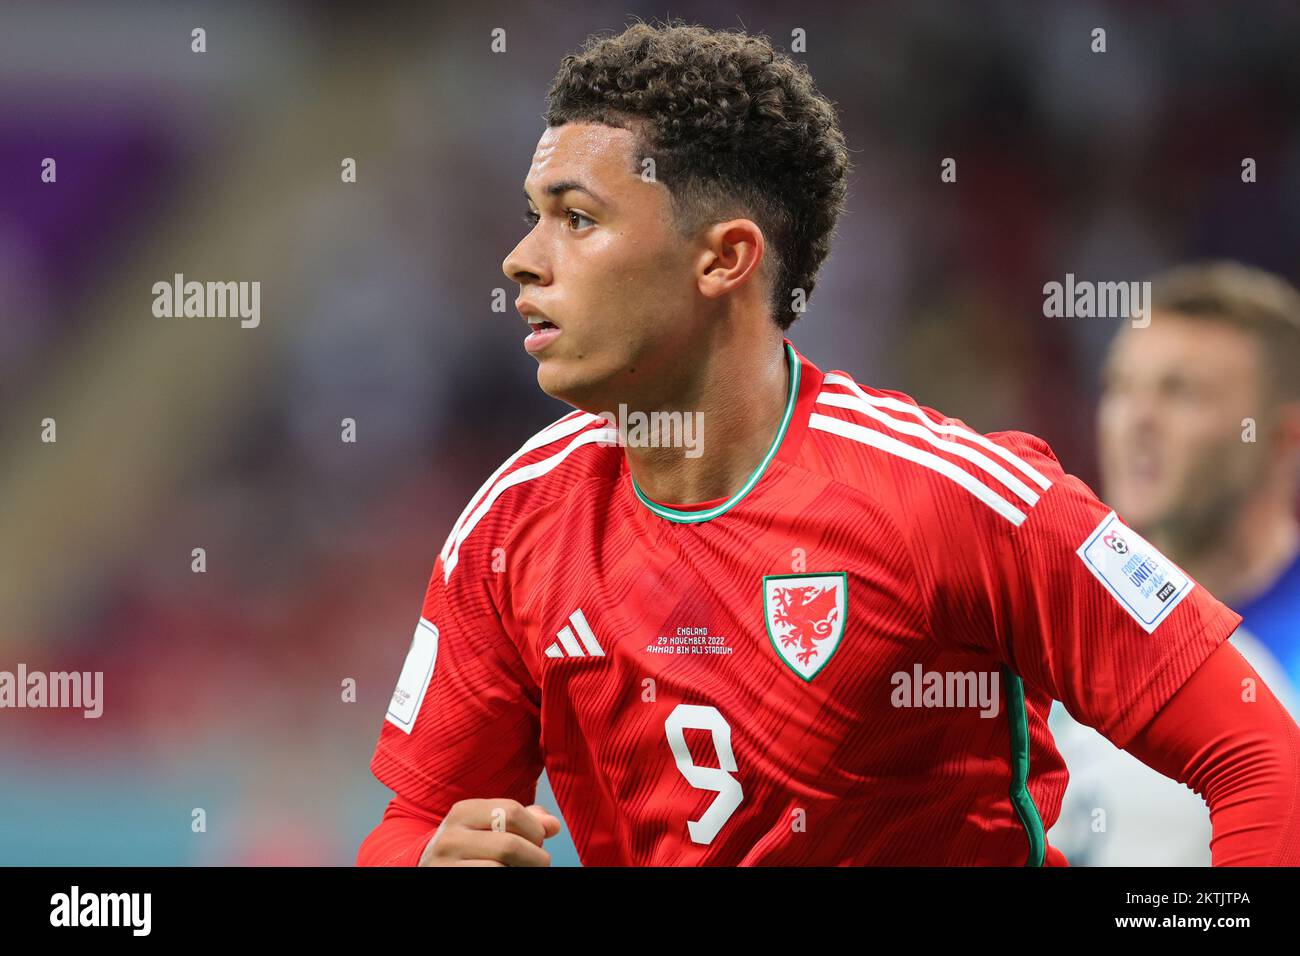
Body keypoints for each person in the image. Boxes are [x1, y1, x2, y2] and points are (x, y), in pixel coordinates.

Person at [358, 22, 1299, 866]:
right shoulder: (511, 527)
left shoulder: (957, 499)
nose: (523, 257)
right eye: (533, 215)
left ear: (724, 259)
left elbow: (1257, 751)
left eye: (576, 218)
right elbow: (412, 822)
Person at [1049, 261, 1300, 865]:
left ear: (1283, 438)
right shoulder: (1051, 628)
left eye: (1179, 392)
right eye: (1120, 388)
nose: (1136, 420)